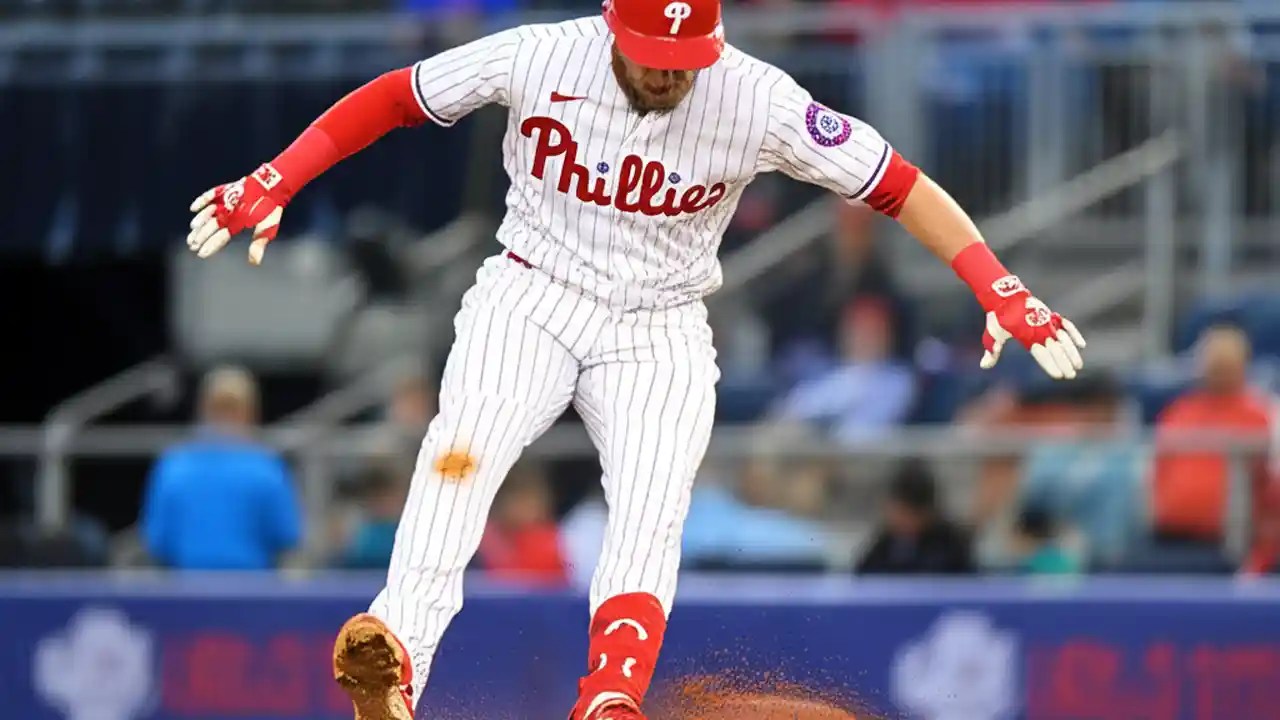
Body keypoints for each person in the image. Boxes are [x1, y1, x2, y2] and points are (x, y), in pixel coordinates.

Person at [184, 0, 1085, 715]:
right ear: (615, 23)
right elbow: (394, 96)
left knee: (651, 511)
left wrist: (994, 281)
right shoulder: (541, 54)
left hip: (659, 321)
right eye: (653, 49)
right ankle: (397, 662)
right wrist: (280, 176)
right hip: (531, 292)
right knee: (460, 453)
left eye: (683, 57)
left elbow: (898, 183)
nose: (666, 70)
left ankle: (609, 695)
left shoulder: (755, 96)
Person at [141, 366, 302, 570]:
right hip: (249, 592)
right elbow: (285, 536)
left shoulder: (173, 465)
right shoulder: (266, 467)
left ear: (202, 409)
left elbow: (157, 541)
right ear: (250, 412)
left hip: (189, 592)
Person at [1151, 326, 1271, 551]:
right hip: (1169, 532)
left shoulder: (1258, 415)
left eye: (1226, 366)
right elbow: (1159, 469)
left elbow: (1264, 482)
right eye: (1215, 365)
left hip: (1228, 540)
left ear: (1242, 367)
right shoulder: (1179, 411)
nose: (1219, 372)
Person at [857, 460, 974, 575]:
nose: (903, 521)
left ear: (927, 513)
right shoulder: (884, 542)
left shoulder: (950, 544)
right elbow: (863, 577)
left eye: (910, 514)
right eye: (899, 512)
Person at [476, 463, 568, 585]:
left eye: (532, 502)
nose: (526, 509)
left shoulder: (551, 541)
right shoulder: (480, 540)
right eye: (520, 501)